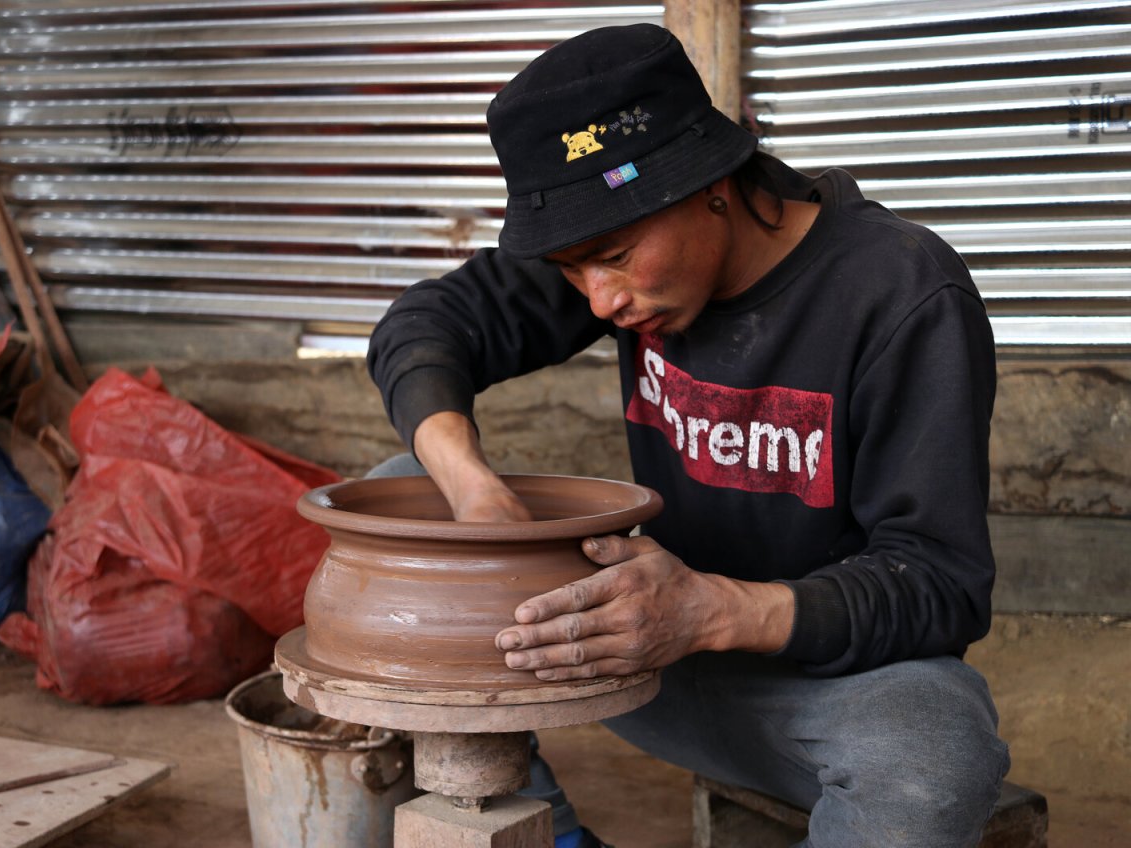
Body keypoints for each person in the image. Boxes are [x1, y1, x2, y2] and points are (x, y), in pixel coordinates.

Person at [366, 23, 1010, 848]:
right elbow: (423, 326)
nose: (599, 300)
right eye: (570, 270)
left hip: (820, 687)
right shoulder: (612, 260)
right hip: (636, 651)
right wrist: (472, 487)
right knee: (402, 507)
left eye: (614, 256)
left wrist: (710, 611)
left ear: (710, 183)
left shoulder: (899, 292)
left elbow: (941, 584)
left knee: (934, 756)